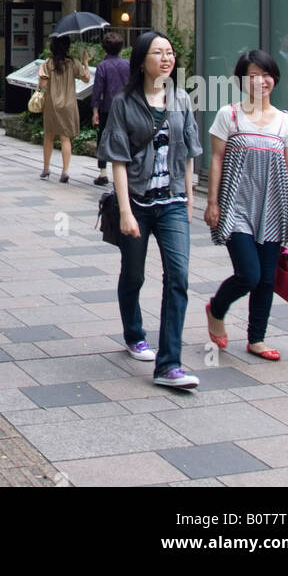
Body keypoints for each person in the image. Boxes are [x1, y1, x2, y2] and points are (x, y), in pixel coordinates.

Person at [99, 30, 203, 389]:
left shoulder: (182, 101)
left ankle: (168, 364)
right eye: (158, 53)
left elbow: (189, 152)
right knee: (134, 274)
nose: (166, 58)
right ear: (141, 61)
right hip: (139, 203)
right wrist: (125, 211)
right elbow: (117, 159)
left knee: (179, 277)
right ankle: (133, 332)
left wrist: (189, 199)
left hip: (173, 202)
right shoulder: (124, 103)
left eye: (170, 53)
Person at [204, 49, 288, 362]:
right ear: (242, 80)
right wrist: (212, 202)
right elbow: (216, 159)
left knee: (267, 278)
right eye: (253, 75)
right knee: (249, 274)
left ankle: (257, 339)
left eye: (266, 74)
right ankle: (216, 308)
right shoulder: (229, 115)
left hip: (273, 208)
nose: (261, 81)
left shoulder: (286, 121)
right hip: (236, 207)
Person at [37, 34, 90, 181]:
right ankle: (65, 171)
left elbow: (42, 85)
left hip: (52, 104)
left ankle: (46, 168)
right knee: (65, 138)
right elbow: (86, 79)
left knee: (49, 137)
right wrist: (85, 62)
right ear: (67, 47)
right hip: (69, 104)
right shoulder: (73, 63)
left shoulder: (47, 64)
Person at [91, 30, 130, 187]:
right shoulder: (128, 64)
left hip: (107, 108)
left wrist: (95, 110)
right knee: (125, 137)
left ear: (104, 48)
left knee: (103, 137)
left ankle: (103, 172)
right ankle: (124, 171)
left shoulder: (103, 66)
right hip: (126, 107)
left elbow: (97, 90)